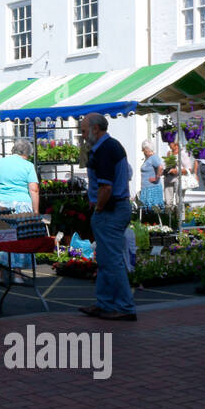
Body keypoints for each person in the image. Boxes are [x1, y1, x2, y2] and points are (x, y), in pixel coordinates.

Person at [79, 113, 135, 321]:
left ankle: (124, 306)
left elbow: (106, 187)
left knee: (111, 261)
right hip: (114, 208)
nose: (83, 135)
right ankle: (105, 304)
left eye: (84, 131)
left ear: (95, 129)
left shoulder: (105, 149)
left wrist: (99, 209)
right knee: (105, 259)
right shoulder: (109, 147)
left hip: (111, 210)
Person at [0, 138, 40, 281]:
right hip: (20, 205)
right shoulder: (28, 165)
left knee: (0, 238)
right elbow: (34, 189)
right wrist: (36, 211)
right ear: (27, 153)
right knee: (19, 238)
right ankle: (17, 274)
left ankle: (0, 274)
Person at [163, 139, 195, 208]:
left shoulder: (183, 153)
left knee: (179, 201)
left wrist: (177, 171)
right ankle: (169, 218)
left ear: (175, 143)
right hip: (169, 179)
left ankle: (180, 218)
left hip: (179, 179)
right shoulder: (169, 153)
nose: (168, 145)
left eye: (170, 143)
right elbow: (166, 166)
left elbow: (188, 169)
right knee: (168, 202)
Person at [138, 141, 165, 211]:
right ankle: (148, 221)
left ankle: (155, 221)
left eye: (143, 150)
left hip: (152, 188)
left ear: (147, 149)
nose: (143, 152)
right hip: (146, 188)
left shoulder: (154, 157)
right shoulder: (148, 159)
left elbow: (161, 167)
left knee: (153, 209)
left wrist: (156, 178)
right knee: (147, 209)